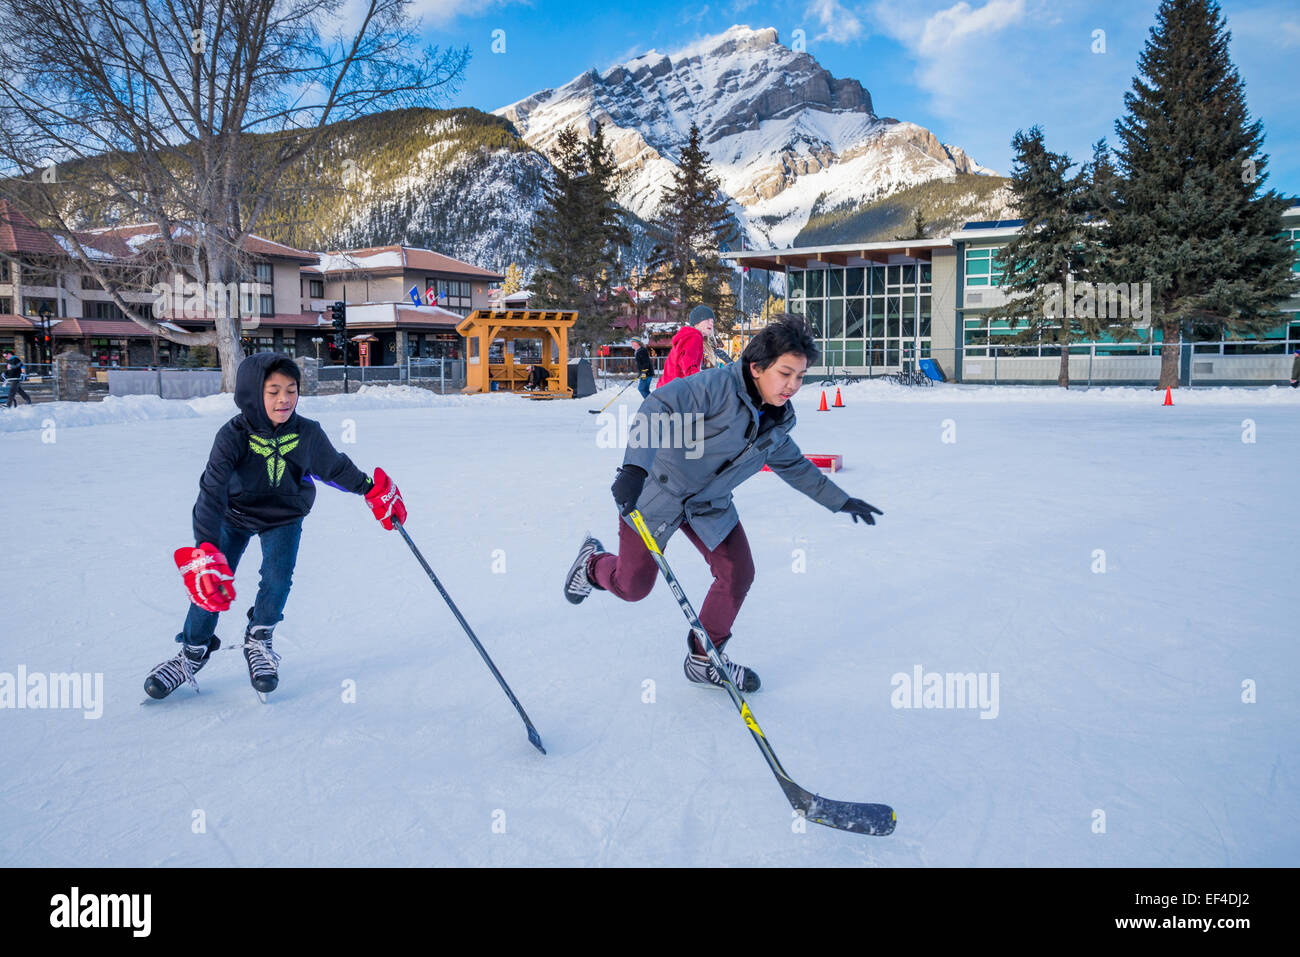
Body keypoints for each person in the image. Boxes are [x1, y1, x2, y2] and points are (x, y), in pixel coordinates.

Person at [563, 315, 883, 692]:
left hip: (709, 504)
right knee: (632, 587)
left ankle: (705, 657)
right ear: (757, 366)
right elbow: (657, 408)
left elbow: (795, 466)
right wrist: (634, 469)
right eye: (785, 374)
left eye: (800, 376)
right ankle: (592, 565)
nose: (793, 386)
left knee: (737, 573)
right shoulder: (716, 387)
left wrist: (840, 500)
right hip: (657, 490)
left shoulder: (777, 422)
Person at [143, 353, 408, 700]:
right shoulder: (232, 435)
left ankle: (259, 639)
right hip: (234, 515)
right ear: (254, 393)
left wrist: (370, 489)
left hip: (284, 516)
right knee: (209, 582)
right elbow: (212, 490)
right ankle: (192, 653)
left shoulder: (307, 433)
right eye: (273, 391)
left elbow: (335, 468)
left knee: (278, 579)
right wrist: (204, 549)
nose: (284, 399)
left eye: (291, 390)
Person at [657, 305, 715, 388]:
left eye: (712, 321)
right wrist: (702, 385)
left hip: (669, 388)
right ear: (696, 322)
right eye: (707, 320)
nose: (711, 323)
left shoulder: (690, 336)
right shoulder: (694, 337)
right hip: (675, 391)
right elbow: (689, 368)